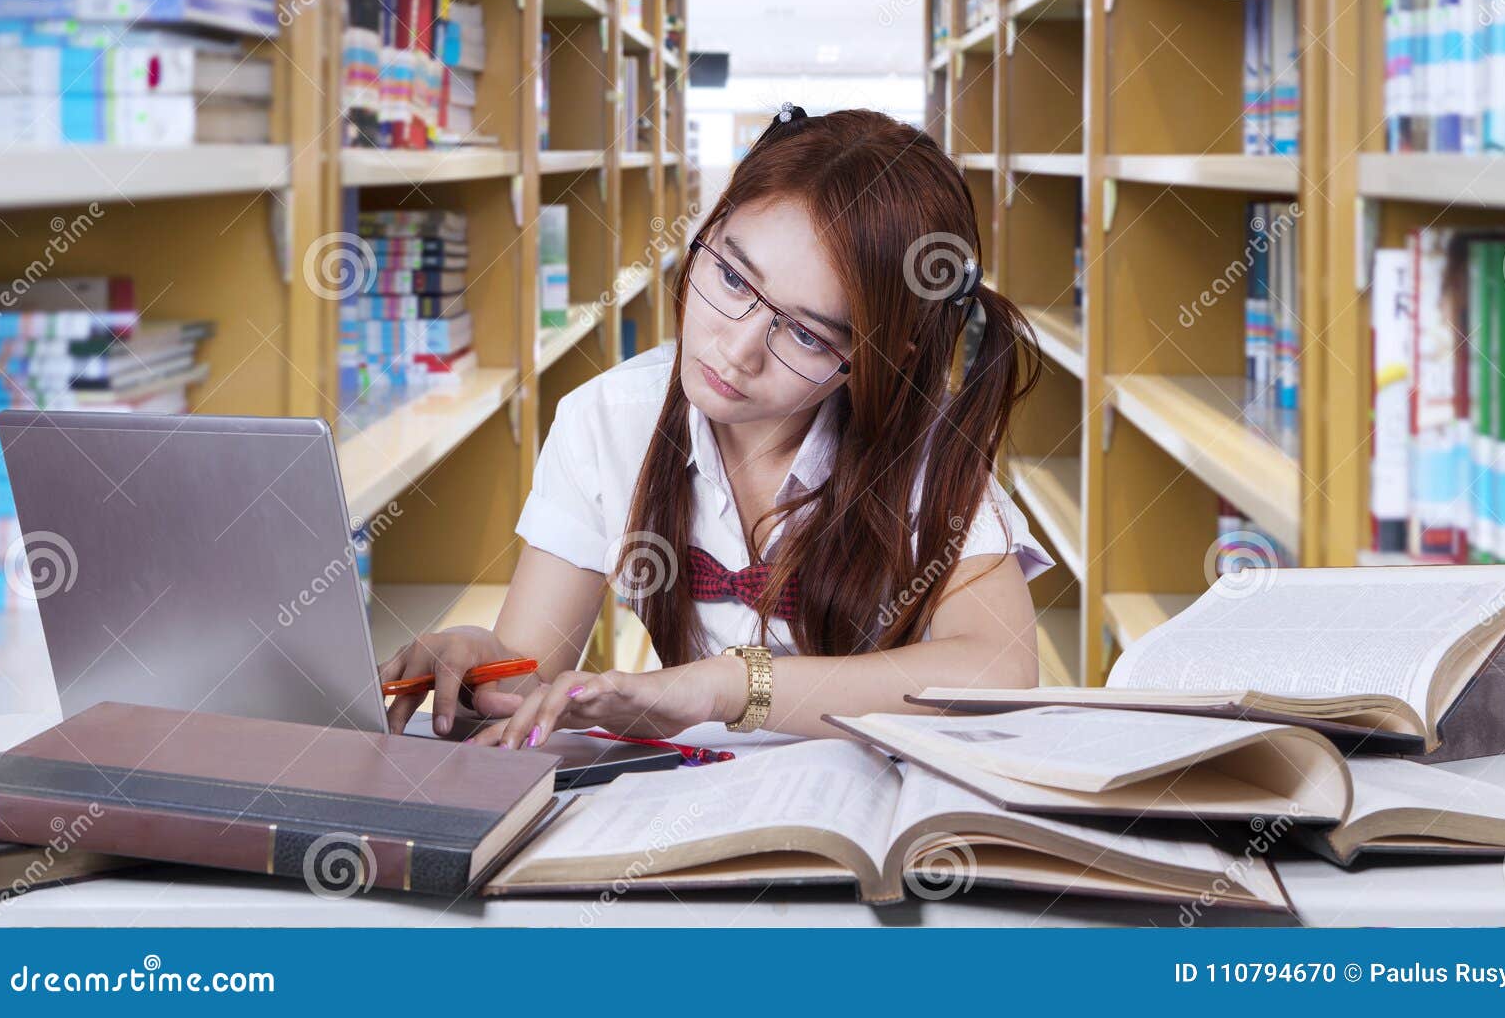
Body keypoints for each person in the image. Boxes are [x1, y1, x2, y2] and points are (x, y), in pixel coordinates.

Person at [377, 104, 1055, 747]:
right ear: (706, 232)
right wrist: (474, 673)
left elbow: (998, 670)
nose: (737, 349)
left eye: (806, 334)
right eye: (733, 278)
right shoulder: (608, 421)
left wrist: (728, 686)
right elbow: (525, 687)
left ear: (883, 355)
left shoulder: (926, 451)